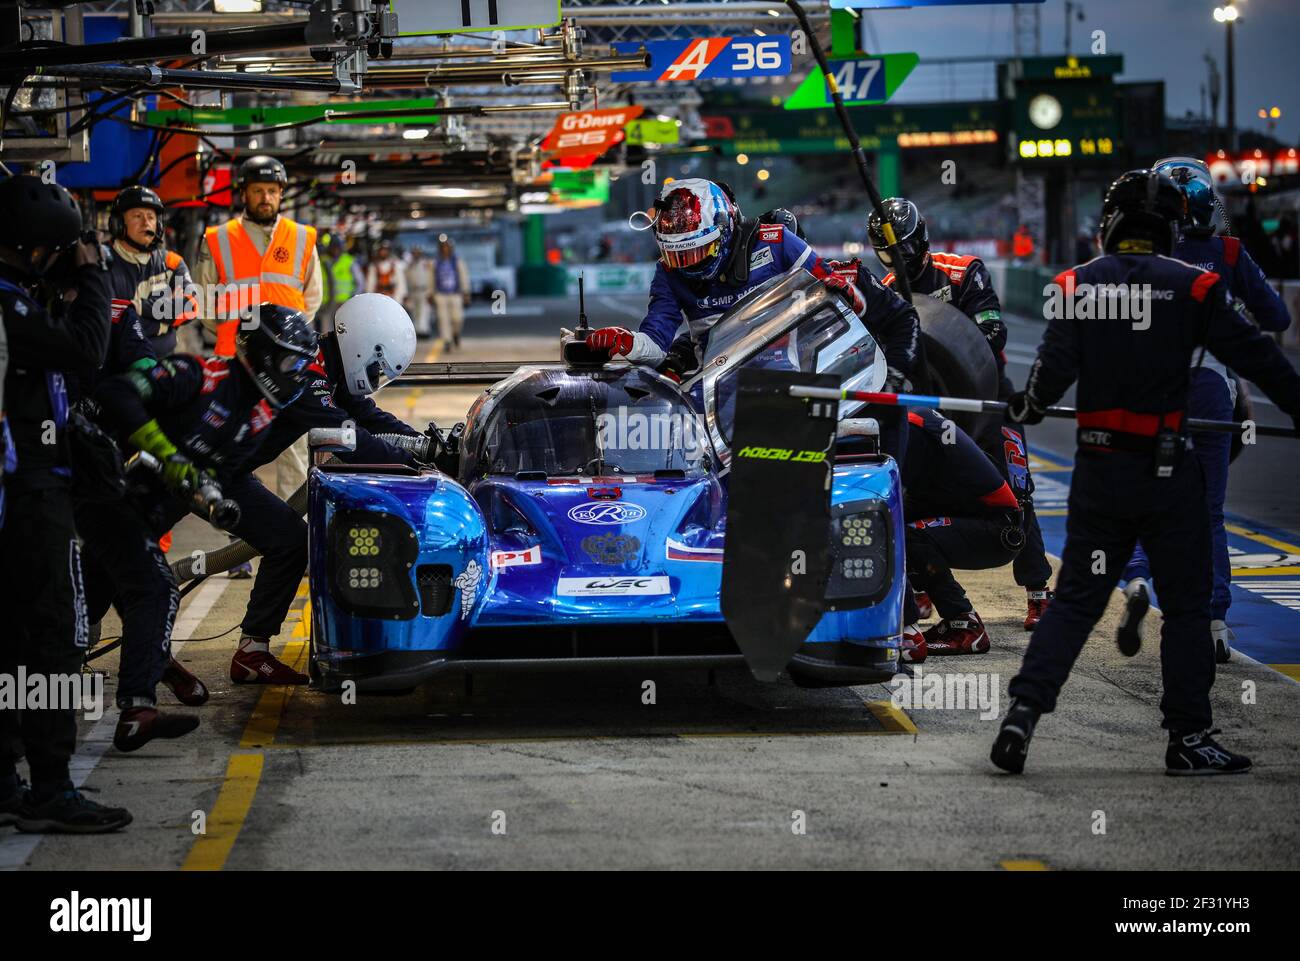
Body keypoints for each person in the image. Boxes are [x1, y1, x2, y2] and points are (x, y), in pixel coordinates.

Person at [991, 170, 1300, 777]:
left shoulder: (1076, 285)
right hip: (1169, 472)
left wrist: (1024, 404)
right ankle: (1188, 738)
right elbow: (1263, 360)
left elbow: (1044, 384)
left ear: (1110, 225)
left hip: (1101, 472)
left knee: (1076, 602)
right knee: (1186, 608)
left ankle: (1021, 715)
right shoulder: (1197, 288)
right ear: (1171, 227)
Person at [92, 304, 322, 711]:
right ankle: (94, 694)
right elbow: (115, 393)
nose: (297, 375)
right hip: (101, 487)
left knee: (145, 585)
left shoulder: (259, 419)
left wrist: (206, 493)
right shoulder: (197, 376)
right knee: (110, 591)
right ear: (264, 355)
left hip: (145, 507)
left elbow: (221, 472)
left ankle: (140, 692)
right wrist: (166, 453)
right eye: (290, 362)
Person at [1119, 158, 1293, 664]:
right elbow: (1277, 317)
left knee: (1143, 500)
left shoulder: (1142, 253)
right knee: (1208, 512)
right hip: (1212, 390)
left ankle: (1135, 579)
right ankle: (1215, 620)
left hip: (1148, 392)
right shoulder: (1230, 252)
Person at [207, 294, 429, 686]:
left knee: (288, 540)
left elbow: (367, 415)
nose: (375, 378)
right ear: (362, 345)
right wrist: (412, 462)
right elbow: (352, 439)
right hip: (202, 467)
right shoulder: (308, 372)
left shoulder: (328, 366)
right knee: (138, 565)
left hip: (228, 470)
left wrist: (426, 444)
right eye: (376, 368)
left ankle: (251, 652)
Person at [0, 174, 132, 832]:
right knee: (49, 637)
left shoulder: (17, 298)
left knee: (7, 635)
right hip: (28, 496)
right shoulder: (12, 308)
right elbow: (86, 349)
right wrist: (96, 272)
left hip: (14, 492)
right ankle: (51, 785)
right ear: (35, 250)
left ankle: (2, 775)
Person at [869, 197, 1056, 631]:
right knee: (913, 491)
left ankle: (1039, 592)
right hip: (932, 408)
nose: (900, 257)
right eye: (889, 251)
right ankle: (925, 586)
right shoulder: (886, 289)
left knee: (1018, 487)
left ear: (923, 239)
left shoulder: (963, 270)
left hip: (989, 401)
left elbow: (992, 330)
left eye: (907, 247)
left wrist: (950, 337)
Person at [194, 154, 323, 571]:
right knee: (232, 455)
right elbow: (204, 299)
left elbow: (312, 297)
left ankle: (288, 535)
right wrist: (236, 335)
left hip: (286, 371)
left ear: (281, 194)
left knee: (292, 454)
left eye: (272, 190)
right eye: (257, 190)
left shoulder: (302, 237)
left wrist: (290, 343)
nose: (265, 197)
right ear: (244, 193)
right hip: (235, 365)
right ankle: (240, 544)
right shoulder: (218, 238)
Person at [586, 179, 869, 367]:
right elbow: (657, 341)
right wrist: (627, 342)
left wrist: (846, 292)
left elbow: (840, 294)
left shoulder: (777, 242)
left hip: (789, 371)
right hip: (713, 382)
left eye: (696, 252)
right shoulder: (667, 272)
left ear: (725, 230)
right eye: (677, 255)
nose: (686, 264)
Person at [898, 408, 1025, 662]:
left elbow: (897, 500)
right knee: (900, 528)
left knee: (908, 535)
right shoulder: (914, 420)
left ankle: (964, 623)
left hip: (996, 528)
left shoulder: (913, 428)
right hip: (985, 518)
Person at [105, 185, 198, 358]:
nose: (146, 222)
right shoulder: (101, 262)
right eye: (137, 216)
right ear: (118, 223)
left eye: (151, 217)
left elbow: (191, 308)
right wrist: (164, 316)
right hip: (115, 366)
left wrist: (138, 307)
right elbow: (106, 319)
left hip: (163, 362)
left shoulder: (172, 262)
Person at [432, 235, 470, 350]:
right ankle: (447, 341)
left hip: (455, 293)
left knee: (457, 318)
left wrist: (466, 292)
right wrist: (430, 293)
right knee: (443, 319)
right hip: (440, 294)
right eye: (443, 247)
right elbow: (431, 278)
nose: (445, 249)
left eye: (447, 246)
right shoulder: (435, 262)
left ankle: (455, 333)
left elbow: (464, 277)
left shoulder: (457, 261)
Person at [320, 235, 364, 334]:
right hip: (326, 304)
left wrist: (352, 300)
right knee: (326, 332)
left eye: (338, 247)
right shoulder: (322, 261)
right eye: (333, 246)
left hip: (344, 303)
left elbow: (360, 283)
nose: (335, 249)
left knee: (344, 332)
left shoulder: (349, 261)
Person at [405, 246, 434, 339]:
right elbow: (406, 279)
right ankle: (417, 331)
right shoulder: (409, 265)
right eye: (414, 252)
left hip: (424, 290)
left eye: (418, 252)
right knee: (415, 312)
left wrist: (430, 292)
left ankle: (424, 331)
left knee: (424, 311)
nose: (416, 254)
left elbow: (431, 278)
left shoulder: (426, 264)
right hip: (413, 291)